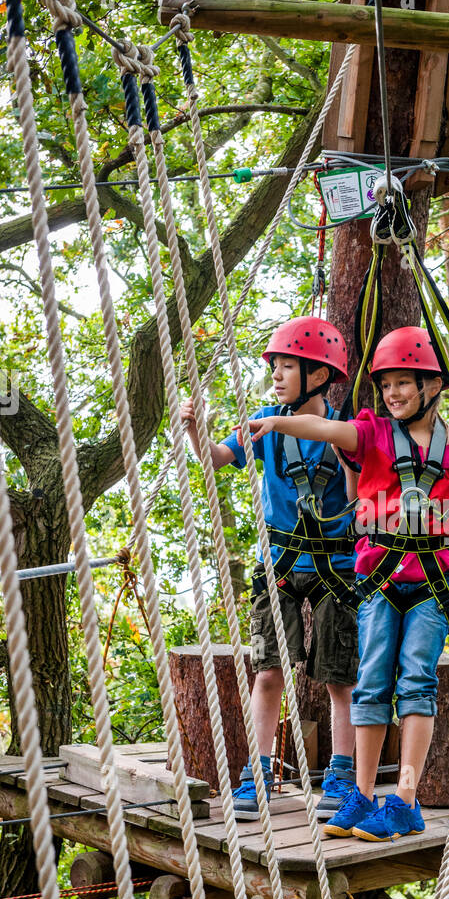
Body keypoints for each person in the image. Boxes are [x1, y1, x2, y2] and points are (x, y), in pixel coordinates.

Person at [240, 325, 449, 842]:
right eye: (386, 385)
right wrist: (275, 420)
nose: (392, 394)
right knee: (369, 685)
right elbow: (326, 432)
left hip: (433, 582)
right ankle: (363, 796)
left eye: (403, 384)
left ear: (432, 386)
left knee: (415, 684)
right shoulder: (371, 433)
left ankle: (404, 798)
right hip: (380, 581)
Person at [180, 316, 359, 822]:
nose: (276, 376)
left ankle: (342, 778)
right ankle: (255, 777)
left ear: (319, 376)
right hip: (279, 562)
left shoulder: (345, 430)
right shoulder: (262, 420)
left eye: (287, 368)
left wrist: (346, 456)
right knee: (268, 673)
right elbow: (216, 458)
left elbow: (354, 494)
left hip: (334, 564)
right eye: (275, 367)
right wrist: (197, 430)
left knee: (337, 678)